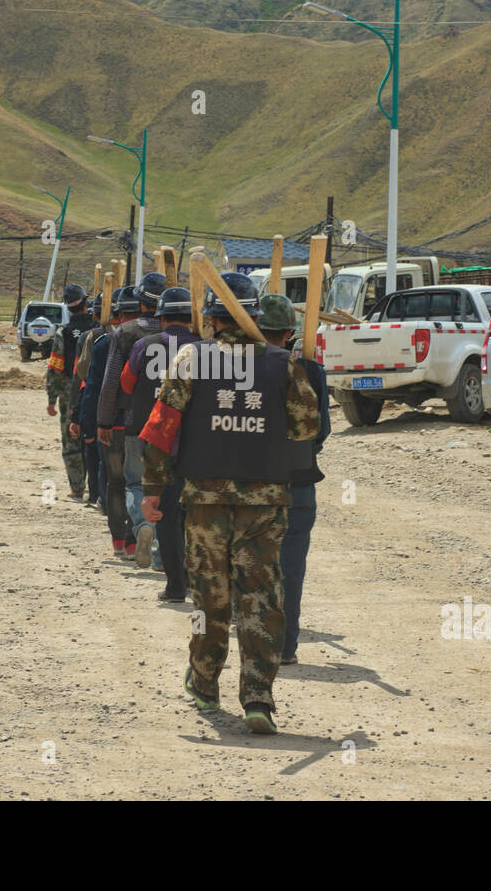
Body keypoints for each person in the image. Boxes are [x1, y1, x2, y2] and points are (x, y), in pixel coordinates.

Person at [139, 272, 319, 735]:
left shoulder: (190, 358)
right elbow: (305, 429)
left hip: (204, 502)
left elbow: (161, 428)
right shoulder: (282, 363)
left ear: (213, 319)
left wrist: (153, 488)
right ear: (254, 315)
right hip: (265, 502)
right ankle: (258, 696)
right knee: (261, 596)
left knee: (209, 597)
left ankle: (203, 681)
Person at [256, 294, 330, 665]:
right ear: (288, 334)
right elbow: (321, 430)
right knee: (291, 568)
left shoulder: (238, 368)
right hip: (299, 481)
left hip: (251, 481)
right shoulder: (310, 371)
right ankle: (285, 647)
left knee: (251, 565)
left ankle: (256, 645)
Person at [122, 287, 199, 600]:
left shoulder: (144, 344)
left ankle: (175, 585)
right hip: (196, 445)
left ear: (161, 315)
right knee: (193, 515)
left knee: (164, 510)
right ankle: (194, 579)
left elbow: (126, 383)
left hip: (157, 437)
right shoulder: (205, 349)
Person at [99, 272, 166, 566]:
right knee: (170, 487)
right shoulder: (189, 337)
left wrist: (102, 420)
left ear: (139, 301)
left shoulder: (125, 333)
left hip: (133, 422)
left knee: (134, 483)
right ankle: (167, 548)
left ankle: (143, 526)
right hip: (174, 427)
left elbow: (112, 381)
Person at [82, 287, 138, 557]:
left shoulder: (105, 342)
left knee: (116, 483)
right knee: (140, 483)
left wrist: (93, 424)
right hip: (147, 426)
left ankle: (119, 541)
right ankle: (134, 536)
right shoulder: (160, 341)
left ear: (118, 313)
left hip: (113, 425)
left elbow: (96, 387)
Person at [46, 284, 98, 500]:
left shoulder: (62, 333)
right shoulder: (98, 328)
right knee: (93, 436)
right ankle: (96, 488)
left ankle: (77, 488)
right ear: (86, 303)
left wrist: (51, 399)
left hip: (70, 392)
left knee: (71, 441)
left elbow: (55, 368)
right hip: (95, 389)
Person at [70, 292, 104, 508]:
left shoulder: (92, 338)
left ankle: (96, 495)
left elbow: (82, 377)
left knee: (93, 452)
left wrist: (77, 413)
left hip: (97, 405)